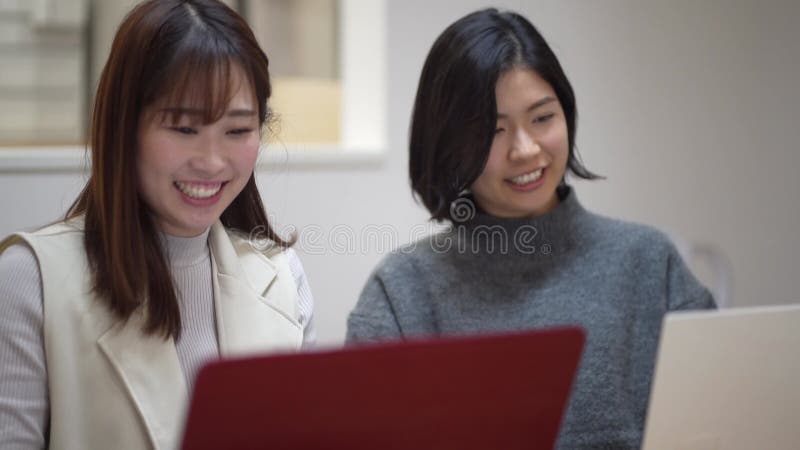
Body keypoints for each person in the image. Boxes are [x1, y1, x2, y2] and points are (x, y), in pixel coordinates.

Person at [346, 8, 714, 449]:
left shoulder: (651, 262)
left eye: (542, 118)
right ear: (448, 144)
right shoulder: (402, 292)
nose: (525, 149)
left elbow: (724, 423)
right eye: (493, 130)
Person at [0, 1, 315, 448]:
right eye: (184, 129)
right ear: (124, 127)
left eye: (237, 130)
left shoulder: (282, 276)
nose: (211, 161)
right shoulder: (29, 280)